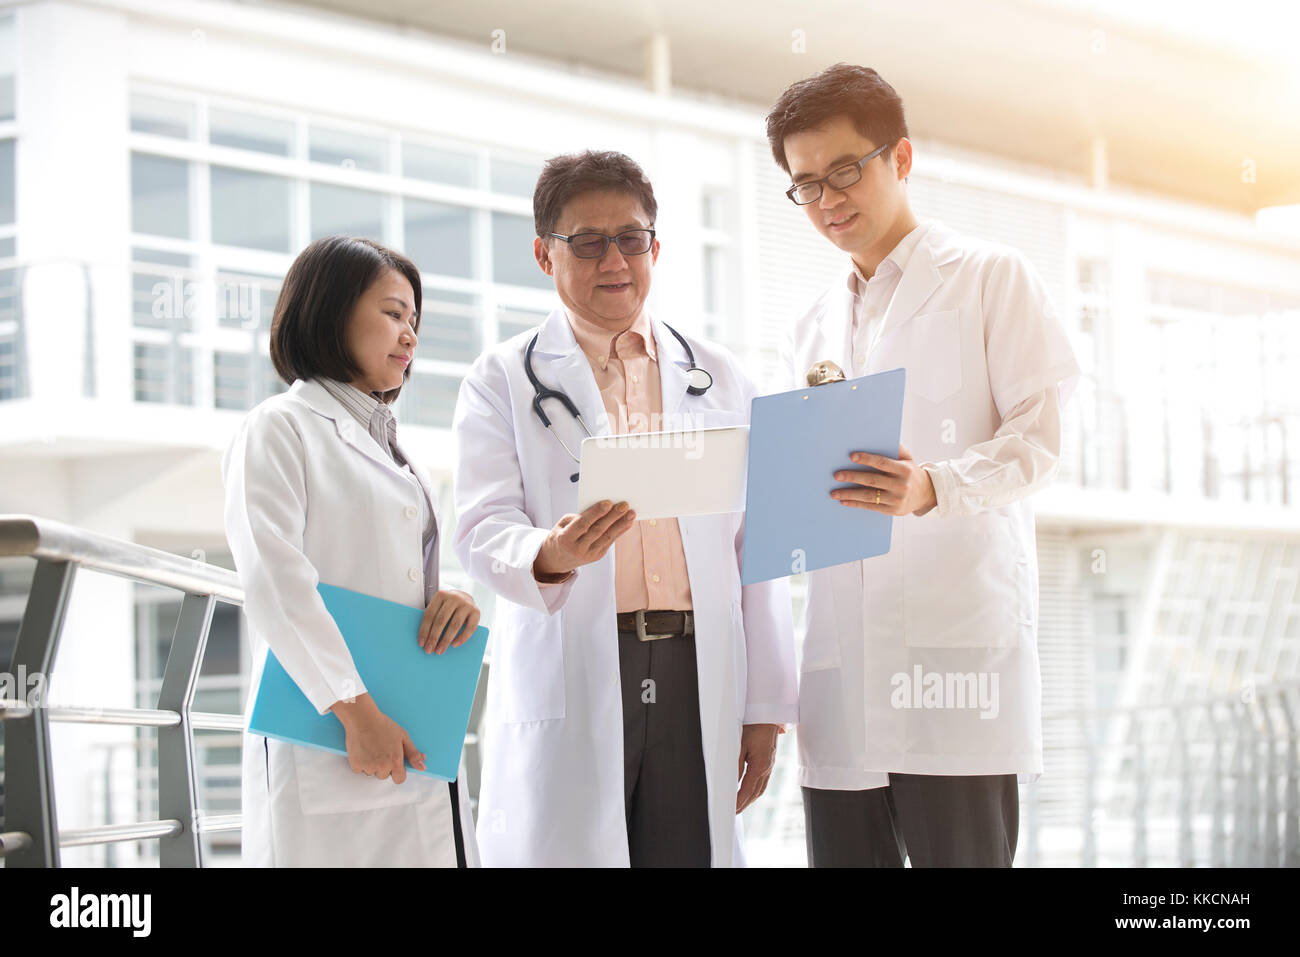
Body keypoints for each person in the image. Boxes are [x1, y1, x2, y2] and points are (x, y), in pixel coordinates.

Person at [765, 64, 1080, 867]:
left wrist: (936, 485)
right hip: (841, 664)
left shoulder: (990, 278)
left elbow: (1042, 437)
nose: (828, 200)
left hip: (953, 657)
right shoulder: (810, 325)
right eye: (805, 185)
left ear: (900, 158)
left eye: (845, 171)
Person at [452, 151, 797, 866]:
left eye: (631, 239)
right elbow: (481, 526)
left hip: (696, 665)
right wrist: (553, 552)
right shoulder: (501, 379)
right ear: (546, 254)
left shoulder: (720, 375)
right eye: (587, 241)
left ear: (656, 248)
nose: (614, 259)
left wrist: (764, 706)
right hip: (578, 656)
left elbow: (758, 547)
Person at [223, 235, 481, 867]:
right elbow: (274, 581)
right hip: (334, 730)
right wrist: (354, 710)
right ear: (331, 311)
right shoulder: (279, 427)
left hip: (409, 724)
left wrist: (449, 597)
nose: (409, 334)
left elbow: (388, 570)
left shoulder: (391, 445)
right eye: (393, 313)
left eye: (414, 321)